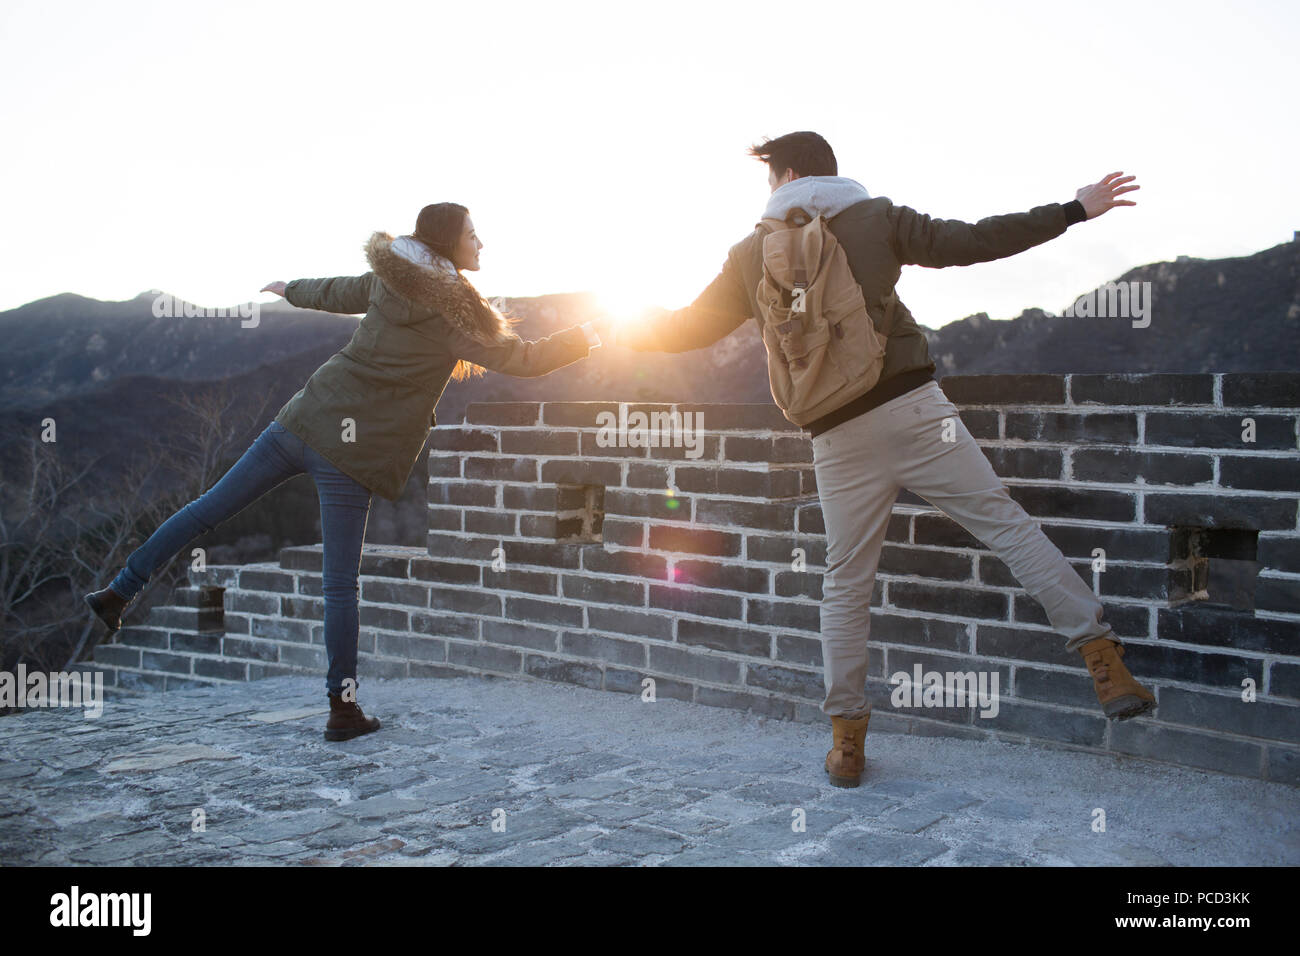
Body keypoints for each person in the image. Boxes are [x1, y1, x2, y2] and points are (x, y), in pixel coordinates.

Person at [609, 131, 1154, 788]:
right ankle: (1102, 660)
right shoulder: (875, 217)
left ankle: (847, 743)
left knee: (845, 583)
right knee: (1008, 527)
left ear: (781, 175)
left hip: (836, 437)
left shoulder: (751, 252)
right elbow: (975, 241)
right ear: (832, 174)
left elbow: (686, 330)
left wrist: (608, 328)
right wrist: (1073, 210)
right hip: (918, 414)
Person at [84, 202, 613, 741]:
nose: (482, 245)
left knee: (205, 512)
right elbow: (525, 359)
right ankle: (342, 710)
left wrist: (291, 288)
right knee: (340, 587)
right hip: (353, 456)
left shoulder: (392, 277)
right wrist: (589, 334)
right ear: (448, 243)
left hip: (303, 420)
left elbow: (340, 292)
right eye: (474, 236)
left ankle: (118, 591)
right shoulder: (455, 314)